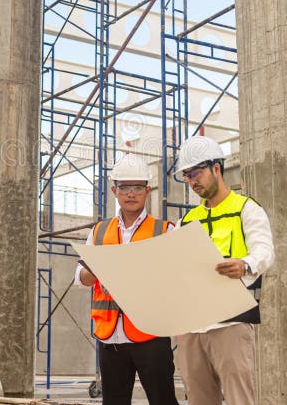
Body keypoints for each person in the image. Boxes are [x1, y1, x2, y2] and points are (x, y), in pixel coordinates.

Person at [174, 136, 275, 405]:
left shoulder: (246, 209)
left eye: (196, 173)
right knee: (198, 398)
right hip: (192, 325)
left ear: (216, 168)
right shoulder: (186, 220)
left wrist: (245, 265)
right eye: (187, 175)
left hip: (231, 321)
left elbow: (265, 251)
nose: (192, 181)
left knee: (239, 398)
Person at [74, 153, 179, 405]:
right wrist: (99, 268)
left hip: (151, 334)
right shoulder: (98, 231)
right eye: (124, 187)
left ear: (147, 190)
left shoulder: (165, 231)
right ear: (114, 190)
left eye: (137, 187)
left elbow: (178, 279)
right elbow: (80, 279)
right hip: (111, 337)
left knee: (163, 400)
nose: (131, 193)